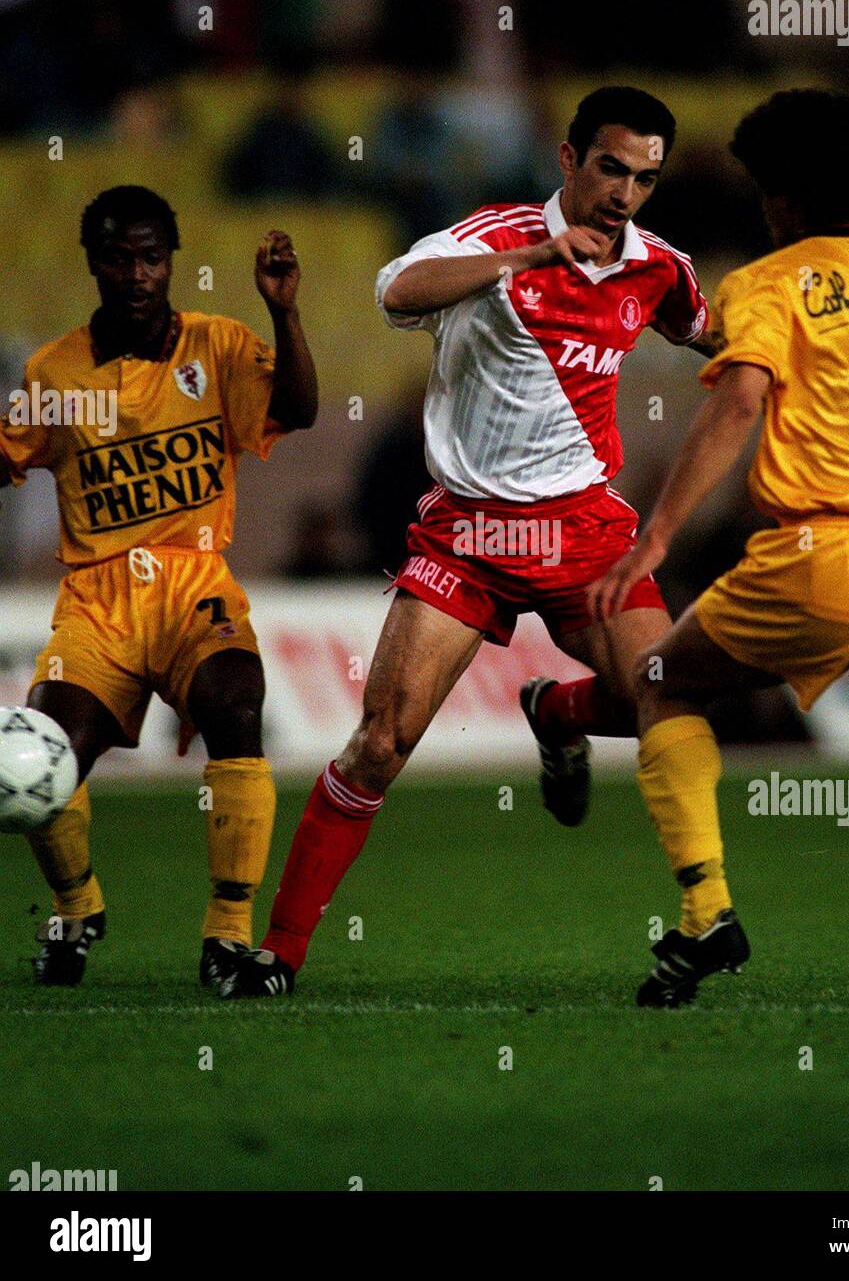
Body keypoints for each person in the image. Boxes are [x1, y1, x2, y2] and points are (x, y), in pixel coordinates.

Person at [223, 86, 709, 996]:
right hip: (468, 536)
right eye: (611, 168)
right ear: (569, 159)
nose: (625, 194)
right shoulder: (494, 235)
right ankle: (276, 956)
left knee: (670, 698)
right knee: (378, 745)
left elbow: (715, 340)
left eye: (645, 178)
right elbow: (394, 290)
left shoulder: (660, 270)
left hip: (583, 530)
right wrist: (528, 256)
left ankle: (557, 715)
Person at [586, 90, 849, 1007]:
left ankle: (707, 911)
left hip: (827, 556)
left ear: (783, 196)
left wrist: (654, 536)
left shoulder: (774, 281)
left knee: (663, 681)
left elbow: (739, 400)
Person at [0, 185, 317, 988]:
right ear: (94, 263)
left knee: (237, 704)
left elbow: (302, 411)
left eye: (152, 256)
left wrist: (284, 312)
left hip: (191, 584)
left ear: (170, 259)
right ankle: (77, 909)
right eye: (118, 257)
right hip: (99, 601)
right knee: (44, 760)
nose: (137, 273)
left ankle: (227, 938)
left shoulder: (217, 345)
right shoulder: (54, 372)